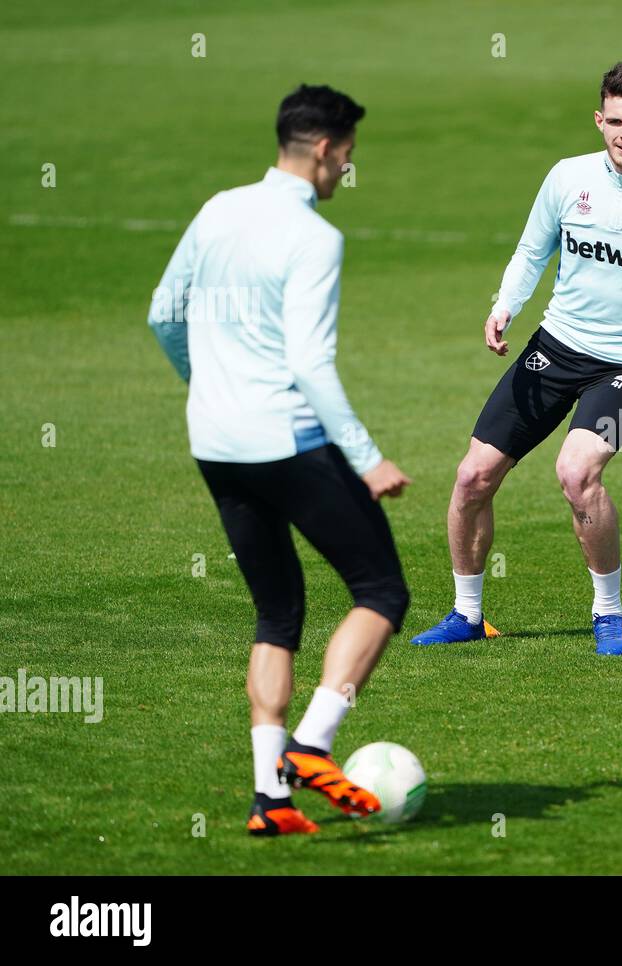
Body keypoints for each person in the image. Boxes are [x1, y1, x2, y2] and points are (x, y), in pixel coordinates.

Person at [148, 84, 413, 835]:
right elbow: (311, 364)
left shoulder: (218, 209)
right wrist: (366, 459)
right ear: (325, 149)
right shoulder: (315, 237)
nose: (345, 174)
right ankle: (312, 744)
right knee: (381, 591)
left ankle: (270, 800)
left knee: (277, 612)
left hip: (215, 444)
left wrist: (206, 389)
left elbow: (163, 313)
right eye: (347, 158)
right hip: (287, 442)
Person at [410, 61, 622, 655]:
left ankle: (609, 614)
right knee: (472, 477)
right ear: (598, 118)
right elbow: (533, 249)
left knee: (577, 474)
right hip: (555, 347)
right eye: (615, 121)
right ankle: (467, 614)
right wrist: (504, 305)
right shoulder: (566, 178)